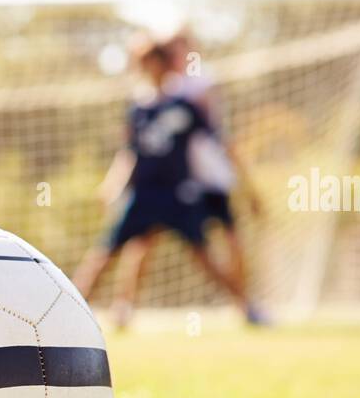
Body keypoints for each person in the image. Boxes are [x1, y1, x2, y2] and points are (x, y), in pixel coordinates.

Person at [73, 38, 256, 327]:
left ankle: (247, 307)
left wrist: (245, 185)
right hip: (143, 196)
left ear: (161, 64)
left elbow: (217, 143)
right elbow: (129, 153)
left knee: (205, 258)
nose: (144, 69)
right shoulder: (138, 110)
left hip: (177, 195)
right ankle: (74, 309)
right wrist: (112, 184)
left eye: (149, 62)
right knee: (105, 253)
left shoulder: (186, 106)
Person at [163, 30, 266, 315]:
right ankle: (124, 305)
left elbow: (219, 133)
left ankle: (244, 302)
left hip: (213, 177)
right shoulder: (164, 90)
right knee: (150, 243)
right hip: (179, 182)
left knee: (232, 241)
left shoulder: (201, 83)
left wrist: (248, 186)